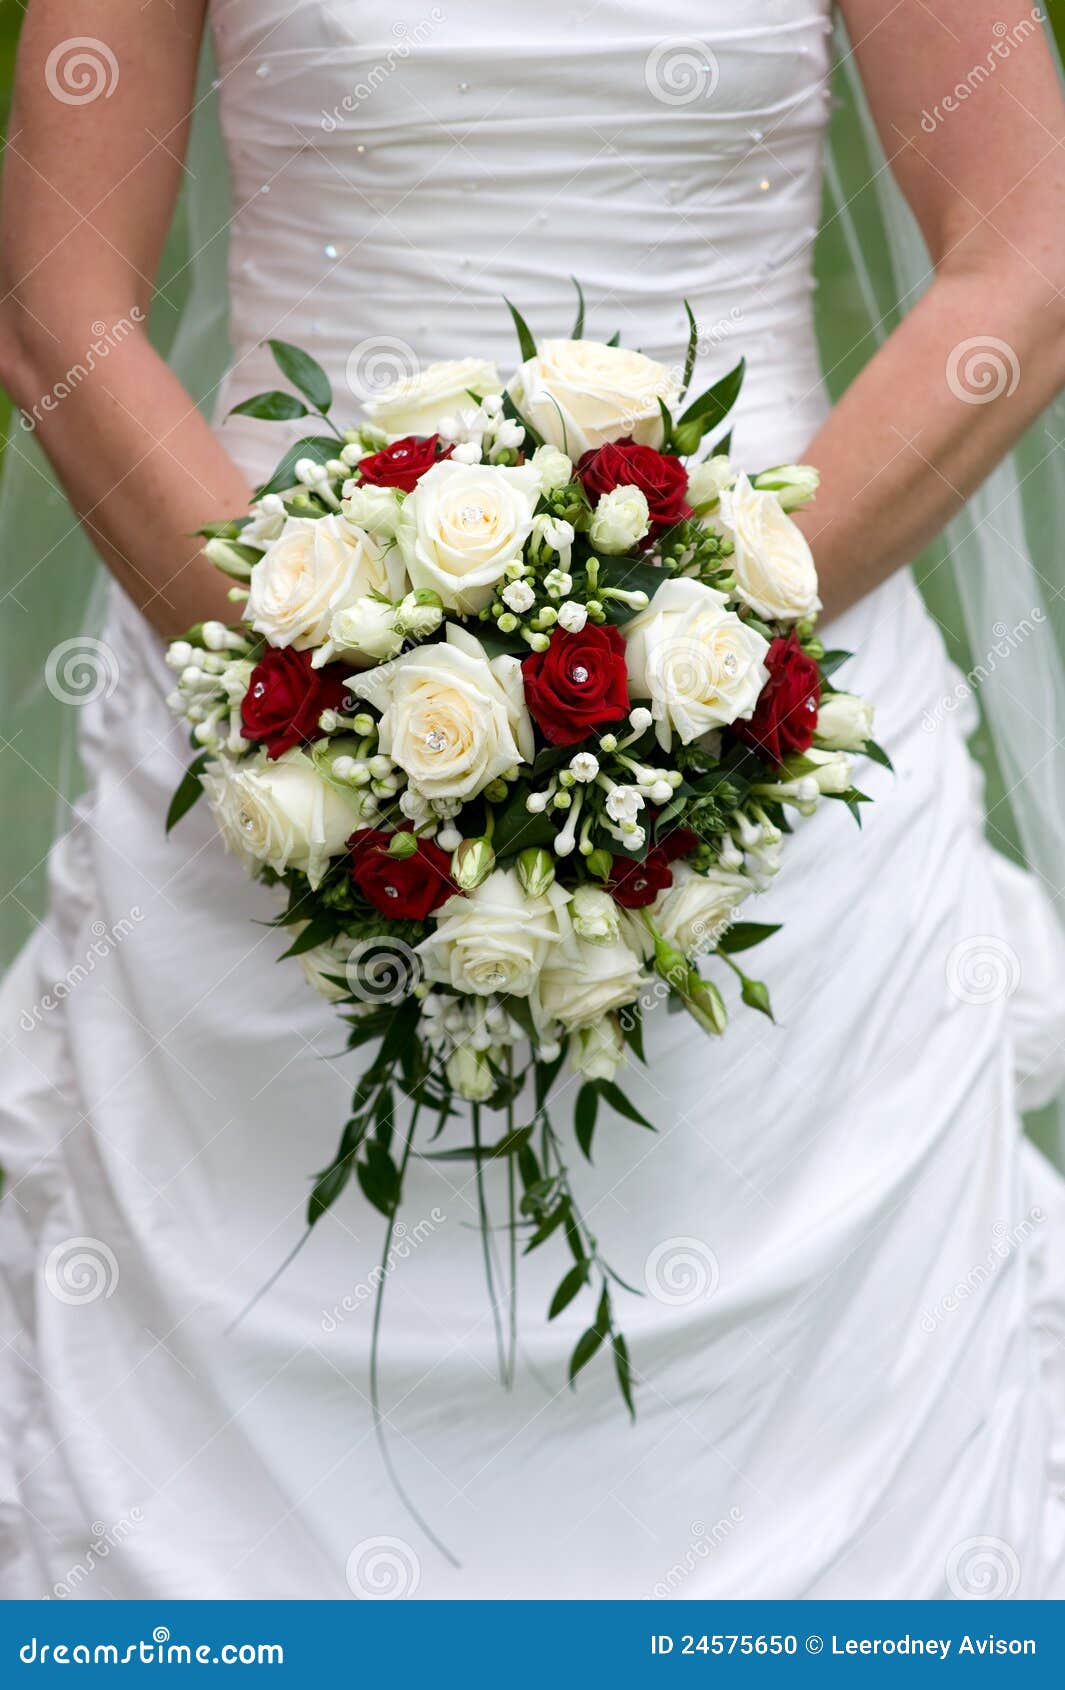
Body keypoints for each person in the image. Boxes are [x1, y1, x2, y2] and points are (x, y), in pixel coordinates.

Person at [1, 0, 1064, 1600]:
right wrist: (313, 698)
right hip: (262, 744)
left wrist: (703, 656)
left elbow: (1027, 261)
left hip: (774, 753)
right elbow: (55, 299)